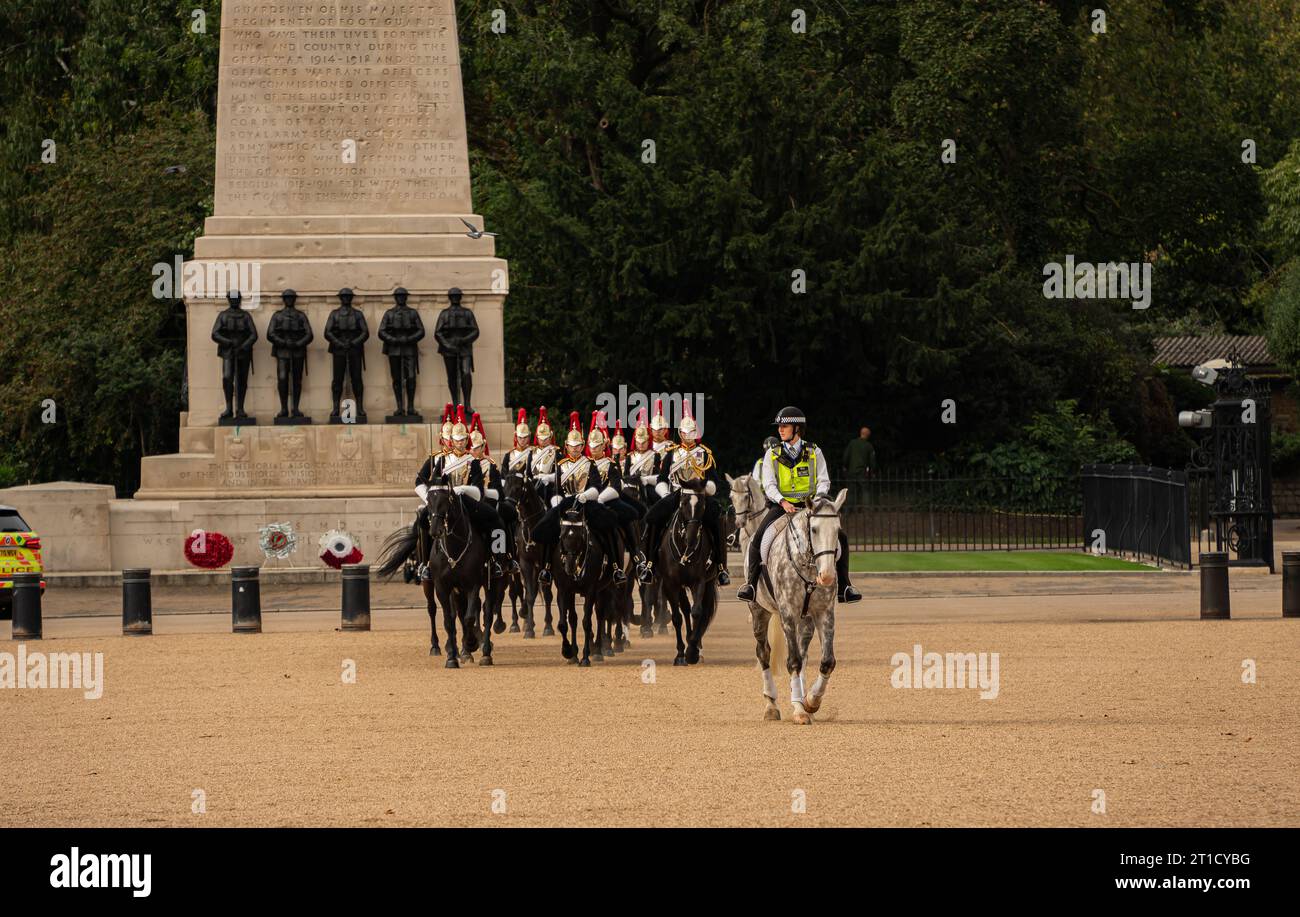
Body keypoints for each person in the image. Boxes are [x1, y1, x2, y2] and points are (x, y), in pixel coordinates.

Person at [736, 405, 862, 604]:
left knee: (842, 539)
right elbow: (768, 484)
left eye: (784, 426)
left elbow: (824, 480)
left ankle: (845, 586)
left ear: (797, 428)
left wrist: (819, 499)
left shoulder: (814, 451)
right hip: (782, 506)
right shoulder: (772, 454)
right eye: (779, 426)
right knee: (758, 539)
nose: (780, 429)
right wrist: (783, 501)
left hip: (811, 507)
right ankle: (750, 585)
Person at [637, 398, 729, 586]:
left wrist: (707, 489)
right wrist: (665, 495)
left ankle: (721, 567)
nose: (688, 436)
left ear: (696, 433)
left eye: (692, 432)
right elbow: (662, 479)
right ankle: (649, 564)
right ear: (679, 433)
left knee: (718, 518)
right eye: (685, 433)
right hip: (676, 495)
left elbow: (714, 480)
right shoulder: (672, 453)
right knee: (653, 517)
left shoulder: (704, 453)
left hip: (700, 495)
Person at [531, 411, 628, 585]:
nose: (574, 448)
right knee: (548, 528)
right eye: (571, 445)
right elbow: (557, 489)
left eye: (577, 446)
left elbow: (596, 487)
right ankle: (546, 568)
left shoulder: (589, 464)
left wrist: (586, 495)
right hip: (566, 502)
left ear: (583, 446)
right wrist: (557, 502)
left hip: (587, 502)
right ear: (566, 446)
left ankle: (615, 568)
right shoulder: (561, 465)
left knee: (608, 526)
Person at [529, 406, 560, 503]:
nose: (543, 441)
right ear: (537, 437)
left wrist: (550, 477)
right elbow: (528, 472)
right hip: (534, 484)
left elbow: (561, 472)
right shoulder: (532, 451)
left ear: (550, 436)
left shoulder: (556, 451)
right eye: (541, 438)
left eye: (545, 438)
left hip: (549, 485)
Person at [841, 425, 876, 506]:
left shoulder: (852, 443)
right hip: (863, 472)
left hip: (852, 470)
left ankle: (849, 510)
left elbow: (846, 456)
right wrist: (872, 472)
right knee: (865, 491)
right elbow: (872, 461)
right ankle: (866, 510)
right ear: (868, 435)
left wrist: (845, 466)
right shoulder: (868, 446)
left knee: (851, 491)